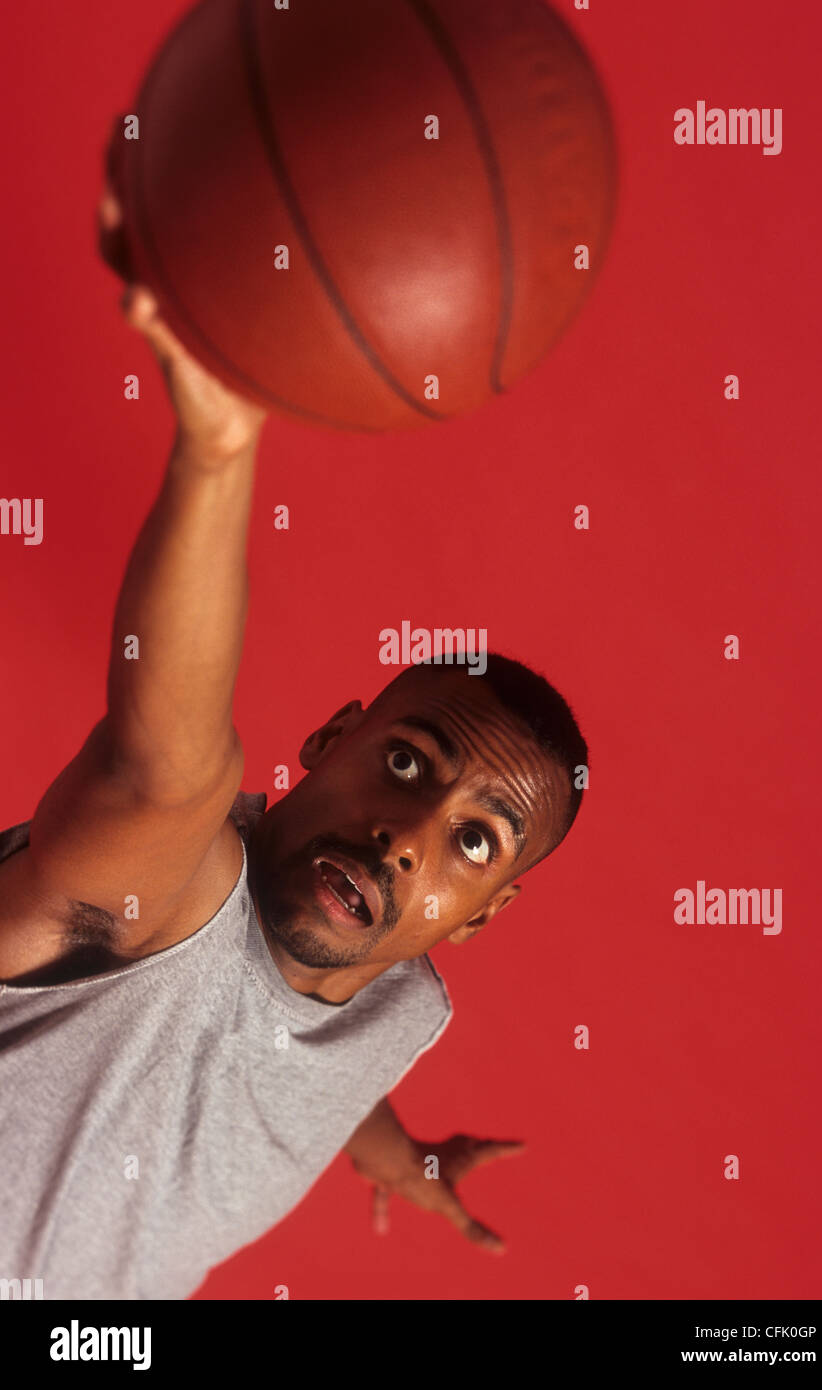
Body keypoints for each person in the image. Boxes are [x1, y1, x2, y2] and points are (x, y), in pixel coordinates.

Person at [0, 171, 588, 1301]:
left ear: (479, 916)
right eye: (408, 763)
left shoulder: (395, 1000)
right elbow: (160, 765)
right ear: (327, 739)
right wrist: (218, 448)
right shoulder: (156, 891)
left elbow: (309, 1067)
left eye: (475, 843)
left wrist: (398, 1155)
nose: (406, 835)